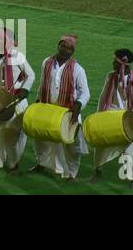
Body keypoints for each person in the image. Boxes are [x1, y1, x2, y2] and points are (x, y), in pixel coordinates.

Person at [29, 34, 90, 181]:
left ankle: (71, 174)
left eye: (69, 48)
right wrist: (38, 100)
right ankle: (41, 163)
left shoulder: (77, 69)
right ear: (58, 46)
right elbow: (43, 83)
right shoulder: (47, 62)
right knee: (41, 139)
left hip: (68, 112)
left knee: (70, 146)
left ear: (72, 51)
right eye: (63, 46)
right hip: (47, 109)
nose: (65, 50)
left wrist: (78, 105)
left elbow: (85, 92)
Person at [0, 28, 34, 173]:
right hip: (2, 102)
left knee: (12, 134)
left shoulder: (17, 55)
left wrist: (25, 89)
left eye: (0, 39)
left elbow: (31, 74)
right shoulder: (1, 58)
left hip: (16, 101)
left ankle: (14, 164)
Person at [90, 49, 133, 184]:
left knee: (130, 148)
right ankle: (97, 172)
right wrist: (99, 115)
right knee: (101, 143)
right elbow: (103, 97)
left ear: (123, 65)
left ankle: (132, 179)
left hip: (128, 116)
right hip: (110, 114)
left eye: (115, 62)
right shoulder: (110, 76)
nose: (113, 64)